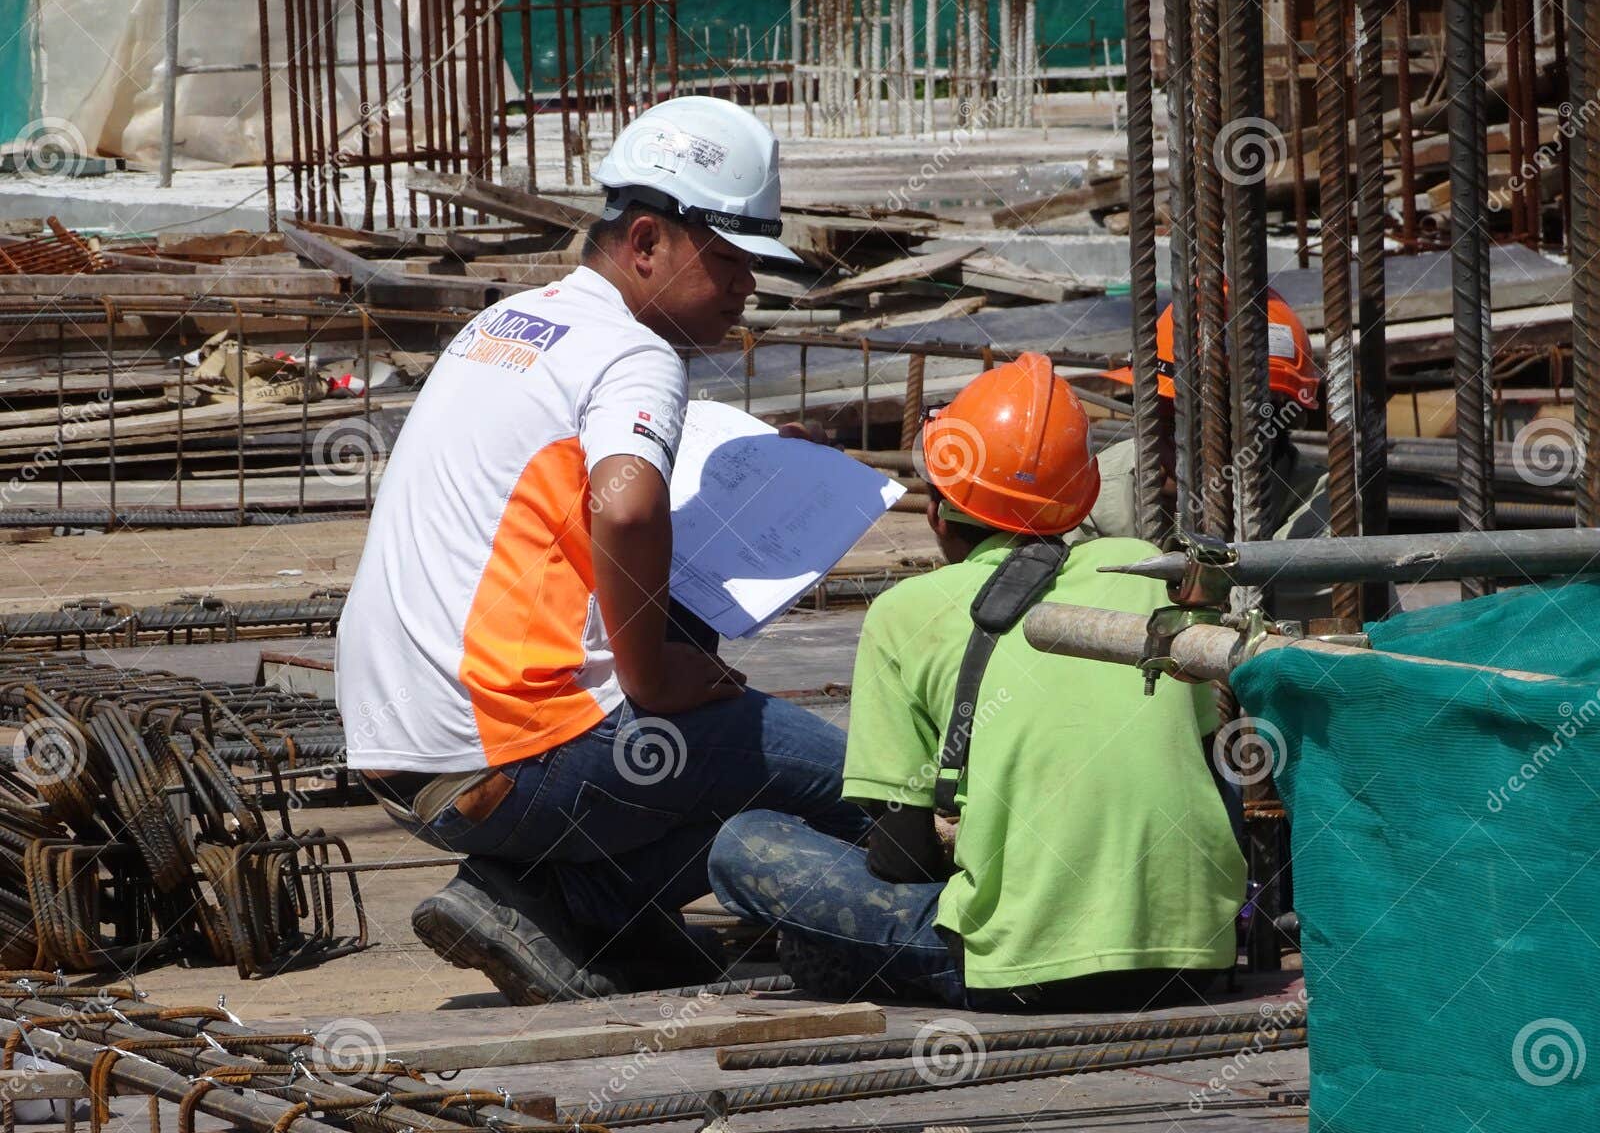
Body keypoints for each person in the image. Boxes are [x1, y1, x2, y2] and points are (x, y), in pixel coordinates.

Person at [334, 96, 869, 1004]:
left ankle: (549, 903)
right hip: (516, 752)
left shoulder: (506, 325)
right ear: (649, 243)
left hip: (404, 752)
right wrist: (654, 679)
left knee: (712, 705)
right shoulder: (633, 355)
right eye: (731, 262)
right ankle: (587, 899)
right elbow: (625, 511)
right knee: (860, 788)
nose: (747, 289)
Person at [707, 353, 1245, 1010]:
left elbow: (900, 861)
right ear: (1082, 494)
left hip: (1022, 970)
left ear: (938, 511)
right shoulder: (1141, 570)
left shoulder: (902, 613)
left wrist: (950, 829)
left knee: (746, 844)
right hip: (1195, 958)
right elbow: (1206, 766)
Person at [1083, 287, 1328, 548]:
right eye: (1155, 425)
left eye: (1185, 433)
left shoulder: (1318, 512)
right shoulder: (1095, 491)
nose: (1159, 452)